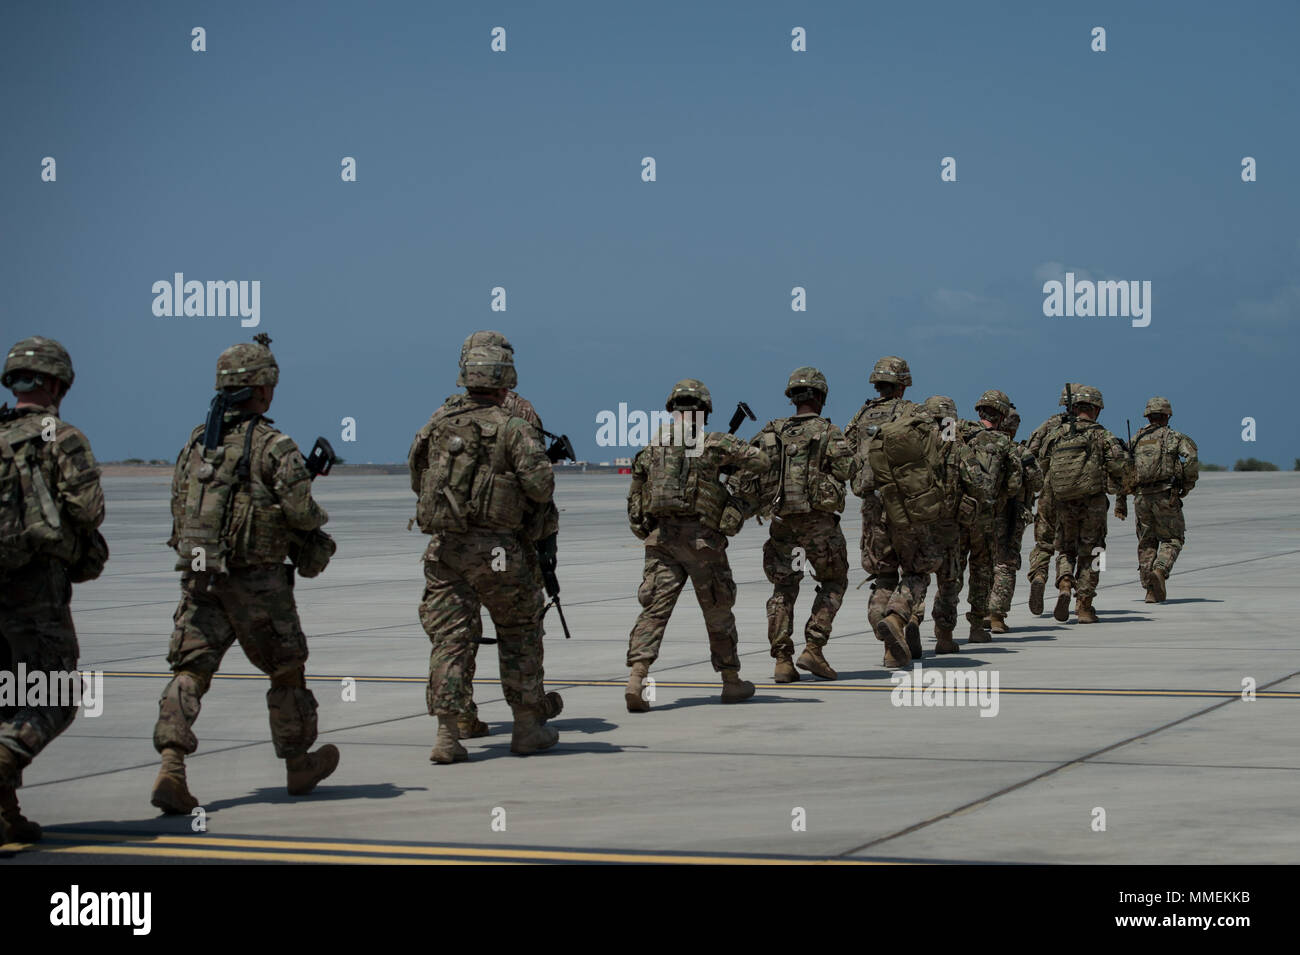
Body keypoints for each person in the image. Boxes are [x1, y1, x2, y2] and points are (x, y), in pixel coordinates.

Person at [151, 334, 339, 812]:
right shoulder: (274, 445)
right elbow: (300, 511)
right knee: (286, 669)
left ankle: (172, 763)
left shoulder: (196, 444)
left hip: (202, 577)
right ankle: (298, 764)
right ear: (261, 390)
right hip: (259, 583)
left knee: (191, 669)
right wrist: (313, 536)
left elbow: (178, 506)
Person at [410, 333, 560, 763]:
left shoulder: (437, 423)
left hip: (446, 550)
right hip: (499, 552)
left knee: (450, 640)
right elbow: (541, 486)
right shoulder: (514, 426)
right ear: (505, 381)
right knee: (520, 633)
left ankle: (448, 735)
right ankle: (527, 726)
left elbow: (417, 476)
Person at [0, 337, 106, 843]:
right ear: (57, 384)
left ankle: (4, 815)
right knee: (56, 693)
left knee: (6, 698)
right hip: (34, 590)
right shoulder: (58, 436)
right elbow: (88, 510)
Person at [625, 379, 768, 709]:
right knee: (718, 610)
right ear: (704, 411)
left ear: (672, 410)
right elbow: (760, 461)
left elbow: (636, 502)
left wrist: (649, 532)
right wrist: (729, 468)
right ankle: (731, 681)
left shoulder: (651, 448)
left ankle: (637, 677)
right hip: (702, 540)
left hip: (661, 539)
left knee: (654, 611)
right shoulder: (713, 442)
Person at [748, 367, 852, 681]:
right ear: (821, 397)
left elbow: (748, 468)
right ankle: (814, 646)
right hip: (819, 524)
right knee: (834, 582)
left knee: (784, 586)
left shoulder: (770, 433)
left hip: (782, 523)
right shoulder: (829, 432)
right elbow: (848, 469)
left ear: (792, 398)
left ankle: (782, 660)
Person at [1039, 385, 1133, 624]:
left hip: (1062, 502)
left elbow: (1042, 465)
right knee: (1096, 553)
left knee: (1065, 549)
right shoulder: (1102, 434)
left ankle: (1065, 583)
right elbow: (1119, 466)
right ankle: (1084, 606)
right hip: (1093, 504)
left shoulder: (1056, 434)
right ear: (1095, 409)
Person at [1114, 397, 1198, 602]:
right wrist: (1186, 486)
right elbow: (1191, 459)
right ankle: (1160, 571)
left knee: (1146, 542)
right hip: (1165, 495)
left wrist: (1121, 500)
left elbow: (1122, 469)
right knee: (1173, 538)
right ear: (1167, 416)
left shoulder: (1135, 439)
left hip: (1141, 498)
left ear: (1148, 416)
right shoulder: (1174, 437)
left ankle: (1150, 590)